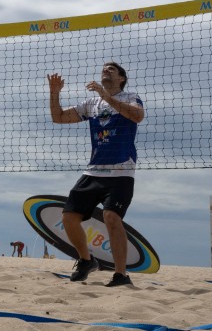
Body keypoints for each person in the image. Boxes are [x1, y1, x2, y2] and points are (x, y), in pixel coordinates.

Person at [48, 62, 145, 287]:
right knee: (69, 216)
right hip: (93, 171)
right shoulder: (91, 104)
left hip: (121, 170)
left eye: (112, 69)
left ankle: (121, 275)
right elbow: (58, 117)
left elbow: (137, 116)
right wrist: (54, 93)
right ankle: (86, 260)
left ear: (121, 78)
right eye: (104, 68)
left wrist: (105, 95)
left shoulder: (131, 97)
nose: (106, 70)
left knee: (111, 217)